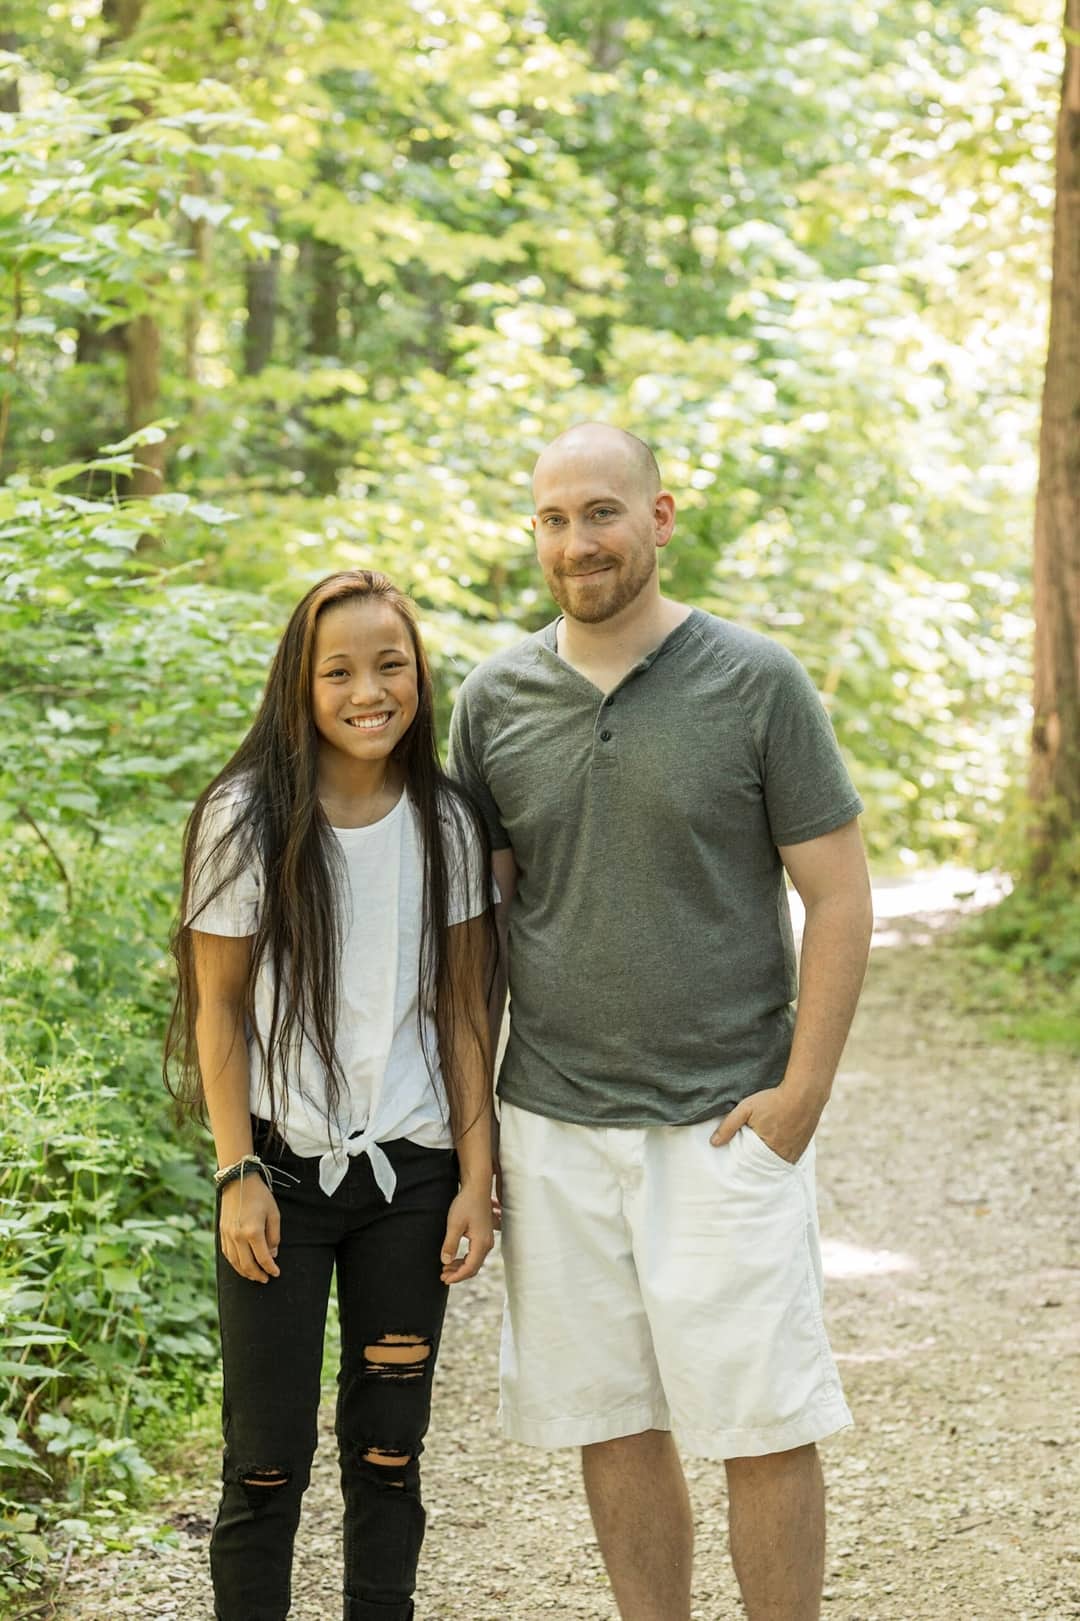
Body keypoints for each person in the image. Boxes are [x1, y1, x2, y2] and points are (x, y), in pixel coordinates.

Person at [448, 424, 874, 1621]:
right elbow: (469, 943)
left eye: (600, 513)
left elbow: (837, 893)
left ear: (660, 516)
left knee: (764, 1421)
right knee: (614, 1418)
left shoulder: (756, 679)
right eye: (552, 519)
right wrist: (478, 1143)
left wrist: (804, 1095)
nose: (575, 542)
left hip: (725, 1120)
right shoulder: (493, 700)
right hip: (554, 1123)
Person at [165, 569, 496, 1621]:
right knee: (264, 1464)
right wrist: (237, 1173)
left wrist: (477, 1181)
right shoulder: (246, 817)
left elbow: (461, 1012)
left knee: (390, 1454)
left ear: (418, 676)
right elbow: (219, 1010)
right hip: (280, 1176)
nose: (369, 689)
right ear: (299, 686)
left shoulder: (447, 823)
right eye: (339, 669)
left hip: (412, 1175)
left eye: (390, 664)